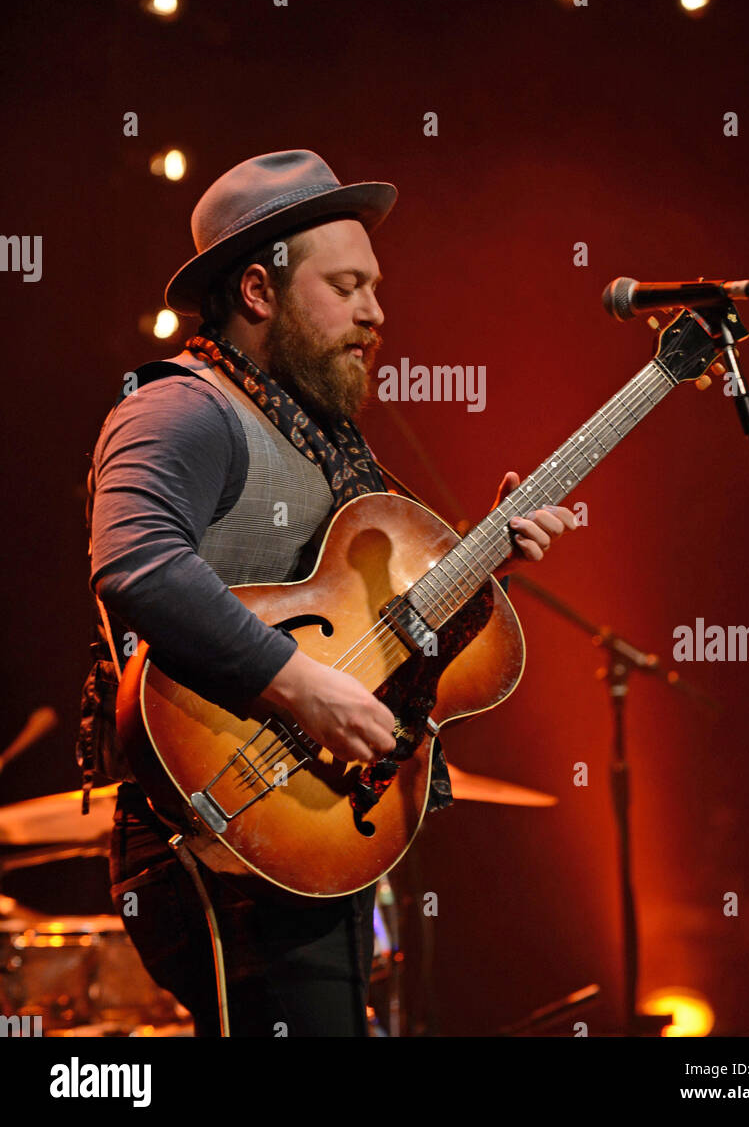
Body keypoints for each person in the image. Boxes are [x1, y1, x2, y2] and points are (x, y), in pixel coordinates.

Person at [81, 149, 578, 1036]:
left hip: (300, 829)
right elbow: (134, 561)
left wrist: (483, 556)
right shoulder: (184, 408)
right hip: (217, 833)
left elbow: (355, 618)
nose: (374, 312)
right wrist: (301, 687)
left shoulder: (315, 431)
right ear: (259, 293)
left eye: (375, 287)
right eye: (345, 285)